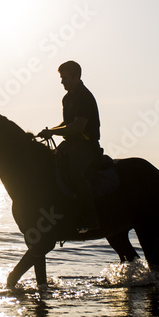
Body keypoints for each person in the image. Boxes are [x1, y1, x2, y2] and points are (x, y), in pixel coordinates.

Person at [37, 61, 103, 233]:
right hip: (71, 144)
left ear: (76, 77)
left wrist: (52, 131)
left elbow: (78, 127)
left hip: (87, 146)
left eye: (65, 78)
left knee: (75, 173)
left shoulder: (84, 97)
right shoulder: (67, 98)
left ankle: (90, 218)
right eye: (61, 78)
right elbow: (66, 124)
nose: (62, 82)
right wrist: (51, 131)